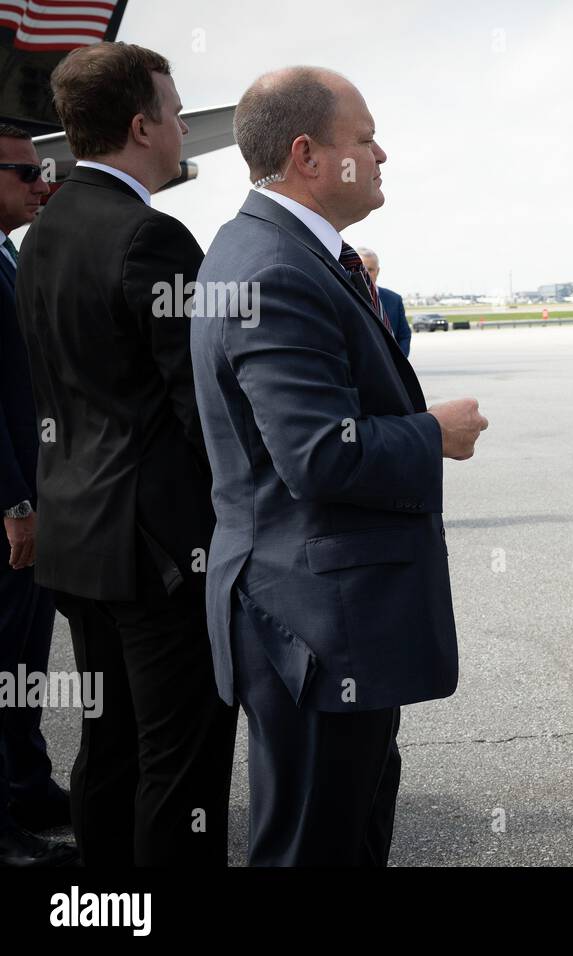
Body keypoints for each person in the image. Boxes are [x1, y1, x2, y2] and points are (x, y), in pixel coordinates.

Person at [191, 66, 487, 865]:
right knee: (312, 846)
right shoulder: (272, 268)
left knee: (347, 831)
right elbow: (319, 456)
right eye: (364, 138)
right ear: (308, 155)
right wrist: (433, 433)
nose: (382, 152)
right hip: (315, 623)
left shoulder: (284, 251)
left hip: (326, 614)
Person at [14, 42, 236, 866]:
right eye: (176, 115)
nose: (182, 130)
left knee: (109, 751)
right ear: (142, 127)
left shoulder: (44, 231)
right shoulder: (150, 237)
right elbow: (201, 405)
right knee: (181, 765)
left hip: (80, 538)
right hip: (158, 552)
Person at [0, 125, 78, 868]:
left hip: (34, 495)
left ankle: (27, 787)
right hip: (11, 506)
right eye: (26, 171)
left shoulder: (8, 253)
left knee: (22, 661)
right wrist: (15, 504)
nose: (41, 183)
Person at [357, 246, 412, 357]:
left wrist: (398, 363)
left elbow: (404, 335)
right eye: (363, 269)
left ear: (378, 271)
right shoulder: (345, 296)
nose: (366, 274)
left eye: (371, 270)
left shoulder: (394, 300)